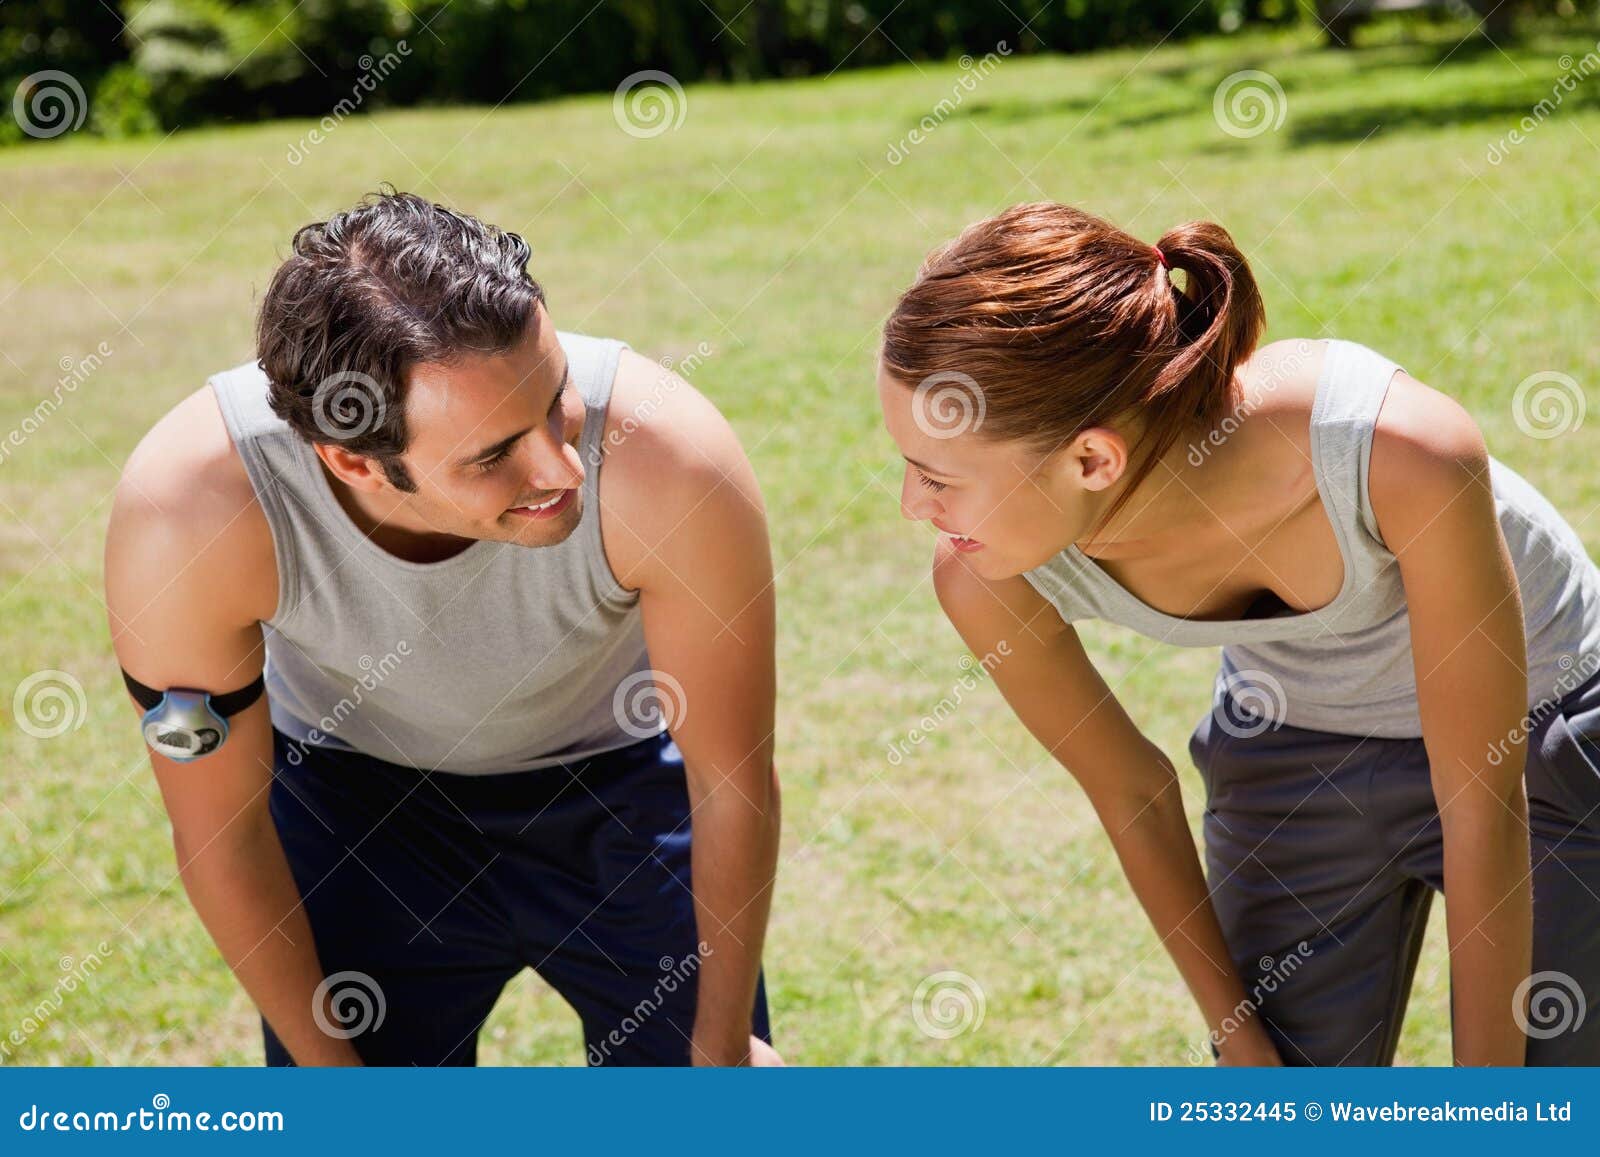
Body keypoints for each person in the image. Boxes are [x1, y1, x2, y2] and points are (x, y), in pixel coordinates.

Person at [875, 201, 1600, 1066]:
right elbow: (1135, 792)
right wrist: (1240, 1042)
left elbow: (1482, 796)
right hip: (1297, 735)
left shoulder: (1399, 449)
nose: (913, 506)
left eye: (937, 477)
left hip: (1541, 724)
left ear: (1092, 461)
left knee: (1555, 1076)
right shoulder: (982, 572)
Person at [104, 189, 782, 1066]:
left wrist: (722, 1051)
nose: (564, 466)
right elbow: (219, 830)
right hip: (357, 802)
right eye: (495, 452)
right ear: (351, 458)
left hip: (623, 787)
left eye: (555, 398)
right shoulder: (189, 513)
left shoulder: (669, 455)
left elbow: (733, 779)